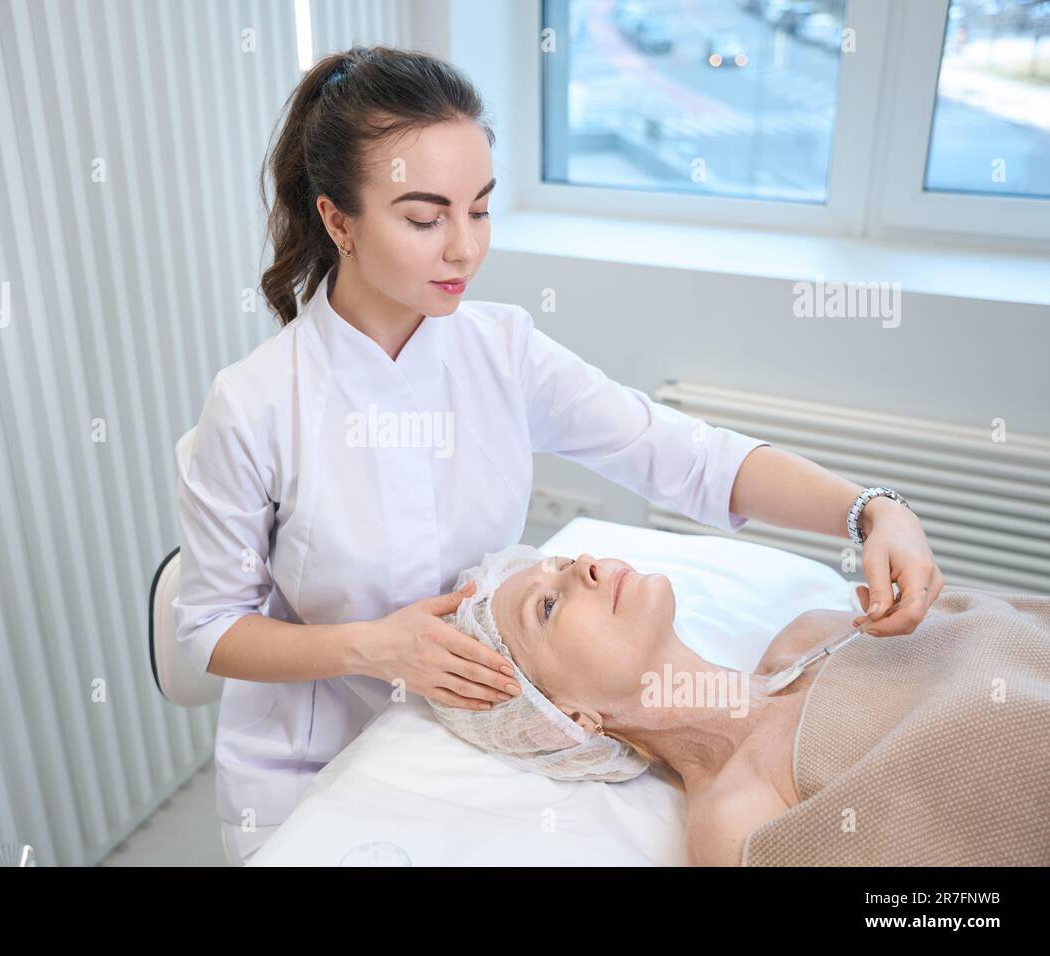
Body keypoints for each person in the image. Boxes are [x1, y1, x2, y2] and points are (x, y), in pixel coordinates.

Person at [173, 45, 944, 866]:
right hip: (314, 757)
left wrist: (870, 509)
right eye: (425, 218)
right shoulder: (255, 405)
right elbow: (207, 631)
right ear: (338, 221)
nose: (465, 249)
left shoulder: (501, 349)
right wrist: (375, 646)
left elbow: (684, 455)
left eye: (481, 209)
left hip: (493, 730)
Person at [432, 545, 1047, 866]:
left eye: (566, 563)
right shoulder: (735, 823)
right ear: (567, 717)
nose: (586, 565)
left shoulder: (814, 631)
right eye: (549, 605)